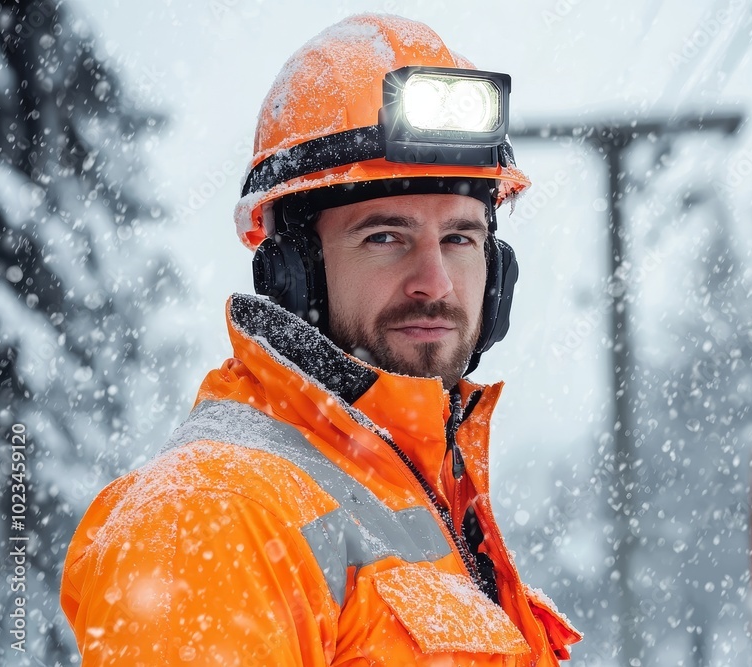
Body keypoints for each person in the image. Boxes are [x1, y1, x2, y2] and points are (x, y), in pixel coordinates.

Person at [60, 13, 581, 666]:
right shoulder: (217, 513)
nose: (435, 280)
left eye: (460, 237)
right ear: (294, 273)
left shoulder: (417, 494)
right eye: (384, 236)